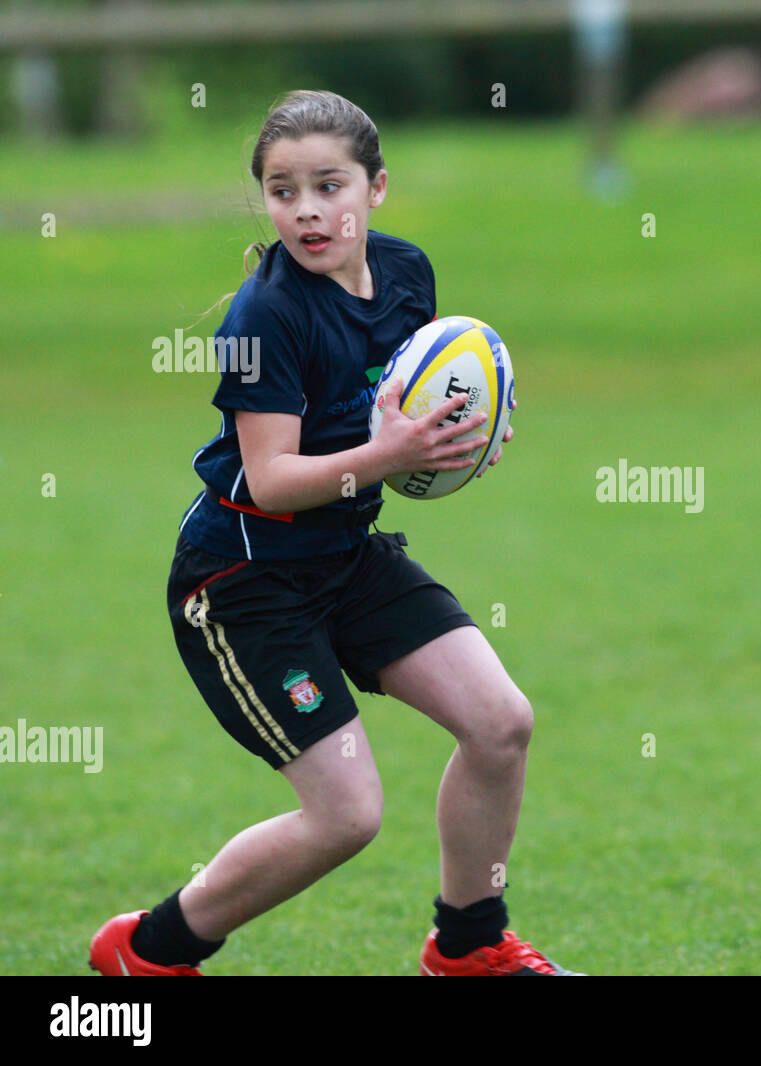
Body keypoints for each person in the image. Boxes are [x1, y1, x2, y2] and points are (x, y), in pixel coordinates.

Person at [89, 90, 579, 977]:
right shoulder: (262, 319)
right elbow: (275, 479)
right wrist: (392, 451)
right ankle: (150, 951)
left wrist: (461, 436)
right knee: (346, 813)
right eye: (283, 191)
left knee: (500, 723)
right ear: (266, 201)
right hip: (243, 582)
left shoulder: (407, 276)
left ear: (376, 187)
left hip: (347, 558)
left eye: (328, 186)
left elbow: (419, 407)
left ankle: (468, 946)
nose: (308, 211)